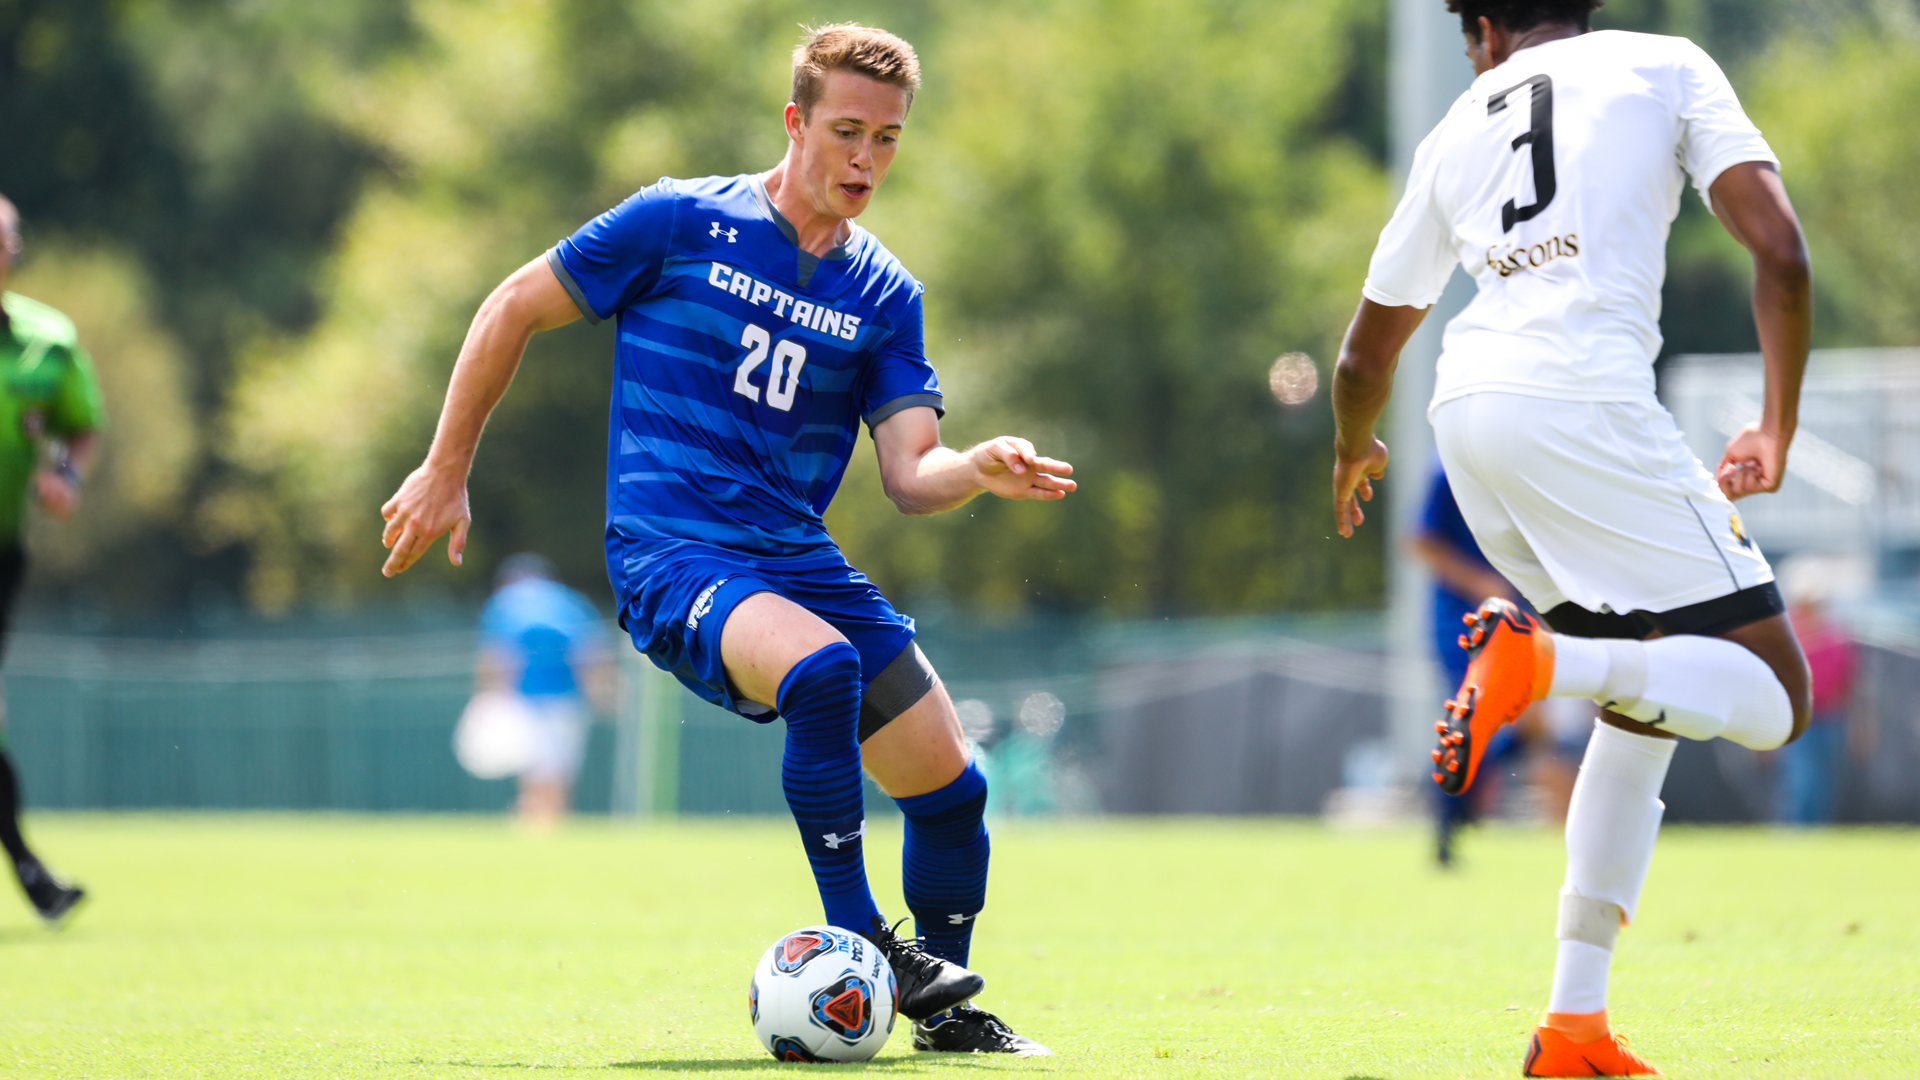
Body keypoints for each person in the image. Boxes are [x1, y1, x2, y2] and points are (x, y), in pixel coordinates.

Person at [377, 25, 1069, 1055]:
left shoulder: (886, 295)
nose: (866, 159)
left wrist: (974, 467)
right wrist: (445, 467)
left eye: (886, 139)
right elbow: (513, 304)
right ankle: (868, 942)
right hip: (672, 555)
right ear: (795, 122)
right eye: (846, 131)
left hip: (792, 560)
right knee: (824, 671)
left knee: (953, 791)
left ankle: (947, 1013)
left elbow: (910, 475)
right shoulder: (679, 221)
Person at [1329, 3, 1813, 1075]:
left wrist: (1353, 451)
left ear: (1487, 28)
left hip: (1467, 421)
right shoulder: (1665, 63)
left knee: (1640, 706)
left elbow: (1363, 358)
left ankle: (1573, 1025)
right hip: (1586, 407)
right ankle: (1543, 662)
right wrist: (1776, 426)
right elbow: (1780, 250)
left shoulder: (1456, 125)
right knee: (1779, 698)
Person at [0, 194, 104, 925]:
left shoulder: (48, 342)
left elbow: (81, 429)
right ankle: (30, 870)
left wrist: (66, 474)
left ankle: (30, 869)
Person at [476, 553, 612, 829]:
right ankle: (549, 818)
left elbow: (498, 655)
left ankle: (537, 820)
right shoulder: (570, 601)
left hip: (523, 697)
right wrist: (602, 691)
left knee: (533, 765)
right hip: (568, 697)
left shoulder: (505, 602)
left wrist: (488, 694)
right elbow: (590, 650)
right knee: (557, 766)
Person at [1775, 578, 1854, 824]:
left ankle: (1815, 828)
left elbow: (1849, 682)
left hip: (1830, 717)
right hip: (1799, 718)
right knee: (1802, 776)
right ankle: (1798, 828)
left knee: (1823, 778)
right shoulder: (1789, 637)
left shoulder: (1835, 637)